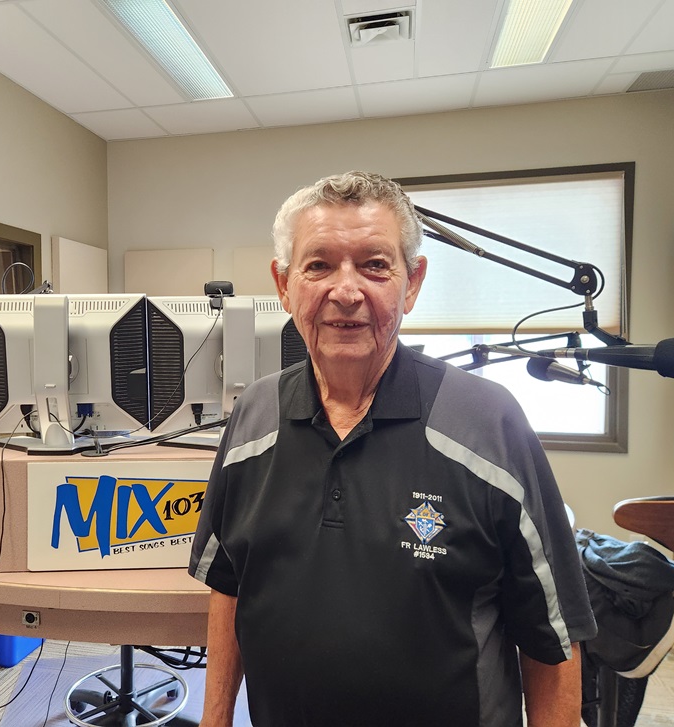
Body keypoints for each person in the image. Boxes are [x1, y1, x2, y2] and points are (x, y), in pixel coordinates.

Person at [188, 171, 597, 726]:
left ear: (412, 282)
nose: (347, 291)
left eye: (375, 265)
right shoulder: (253, 416)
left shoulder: (488, 423)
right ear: (284, 285)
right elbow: (229, 585)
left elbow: (551, 635)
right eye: (319, 264)